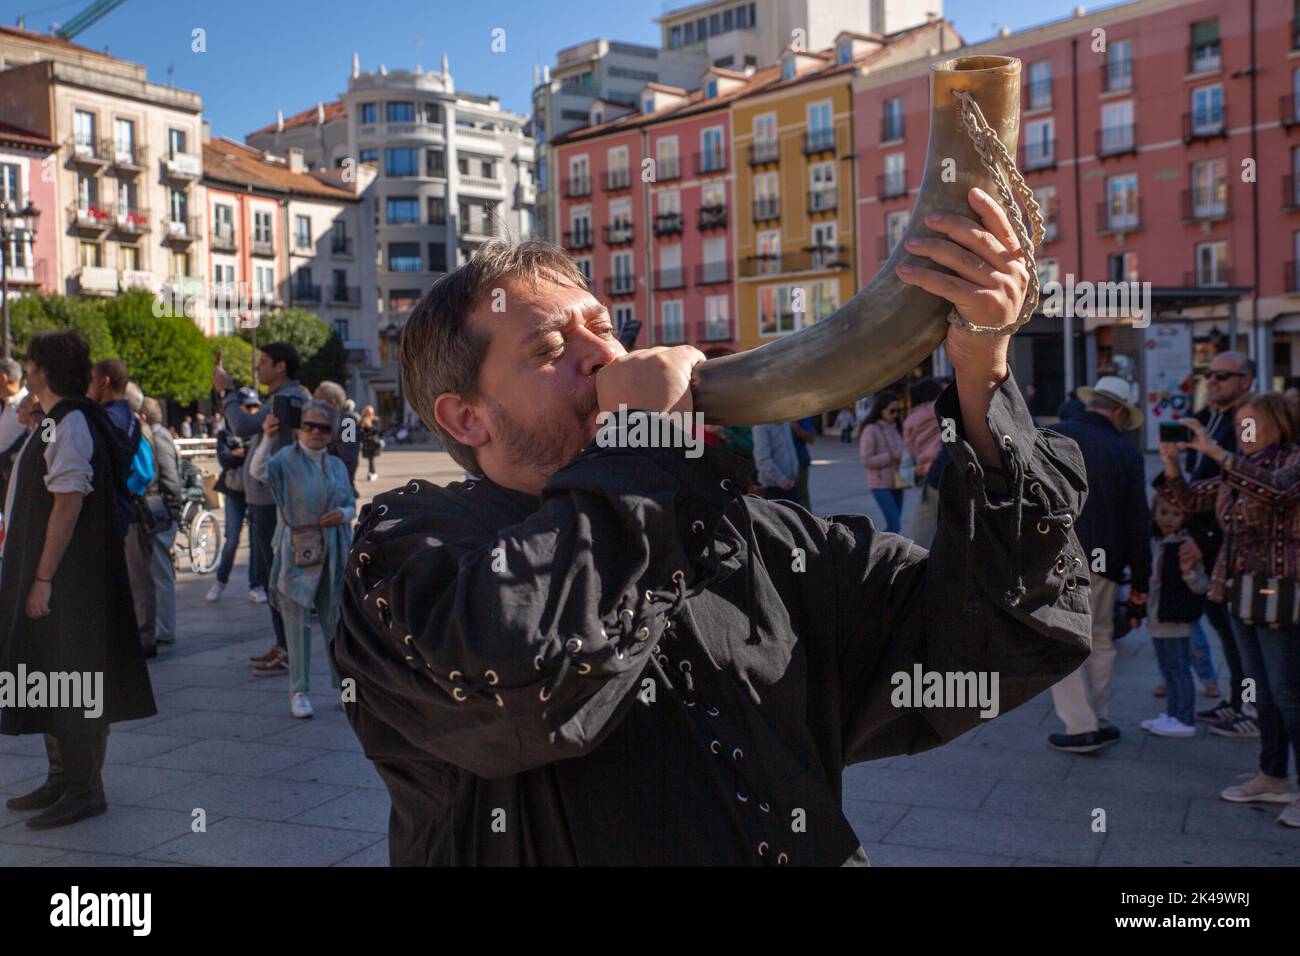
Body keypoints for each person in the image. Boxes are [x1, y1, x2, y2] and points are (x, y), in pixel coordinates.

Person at [330, 211, 1091, 866]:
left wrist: (982, 378)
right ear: (467, 418)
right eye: (550, 349)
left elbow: (1003, 637)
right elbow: (519, 683)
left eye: (603, 326)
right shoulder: (406, 555)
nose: (605, 354)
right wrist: (638, 446)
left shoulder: (753, 537)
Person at [0, 331, 155, 829]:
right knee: (49, 674)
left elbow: (68, 501)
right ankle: (63, 778)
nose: (26, 370)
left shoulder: (72, 423)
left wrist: (42, 577)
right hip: (53, 575)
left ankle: (86, 789)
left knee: (74, 679)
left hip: (70, 580)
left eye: (30, 363)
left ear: (42, 371)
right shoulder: (58, 421)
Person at [1157, 392, 1300, 827]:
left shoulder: (1290, 463)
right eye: (1240, 427)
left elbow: (1275, 492)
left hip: (1281, 591)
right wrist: (1171, 464)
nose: (1245, 434)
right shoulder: (1237, 468)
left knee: (1289, 693)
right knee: (1263, 689)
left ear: (1279, 424)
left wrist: (1218, 452)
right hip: (1237, 591)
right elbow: (1190, 501)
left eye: (1252, 426)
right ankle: (1272, 775)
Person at [1046, 376, 1151, 753]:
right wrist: (1142, 581)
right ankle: (1099, 718)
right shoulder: (1126, 453)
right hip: (1103, 561)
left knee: (1062, 640)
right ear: (1120, 411)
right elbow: (1138, 522)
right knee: (1101, 639)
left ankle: (1080, 726)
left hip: (1053, 556)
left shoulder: (1051, 437)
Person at [251, 399, 356, 718]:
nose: (314, 432)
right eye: (308, 425)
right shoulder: (286, 458)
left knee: (335, 623)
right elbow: (257, 472)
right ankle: (299, 691)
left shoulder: (336, 465)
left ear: (332, 433)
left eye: (323, 428)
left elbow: (351, 501)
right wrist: (267, 437)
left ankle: (346, 690)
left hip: (334, 549)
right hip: (297, 547)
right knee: (296, 621)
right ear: (299, 428)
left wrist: (344, 513)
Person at [213, 343, 311, 676]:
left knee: (276, 577)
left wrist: (227, 391)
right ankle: (284, 646)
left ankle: (288, 648)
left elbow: (240, 425)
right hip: (269, 498)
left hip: (272, 500)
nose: (259, 368)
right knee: (273, 576)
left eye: (264, 362)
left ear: (281, 366)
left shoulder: (285, 399)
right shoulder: (287, 397)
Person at [1179, 351, 1256, 737]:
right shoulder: (1216, 416)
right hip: (1210, 543)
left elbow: (1244, 480)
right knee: (1226, 632)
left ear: (1246, 380)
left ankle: (1252, 707)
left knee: (1242, 637)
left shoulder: (1248, 423)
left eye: (1223, 376)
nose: (1213, 381)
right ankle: (1238, 701)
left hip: (1233, 546)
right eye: (1209, 374)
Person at [1140, 492, 1210, 738]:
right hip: (1158, 616)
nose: (1169, 519)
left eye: (1176, 514)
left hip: (1175, 616)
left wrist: (1188, 572)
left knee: (1179, 668)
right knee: (1167, 668)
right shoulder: (1157, 541)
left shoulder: (1185, 544)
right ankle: (1173, 714)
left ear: (1186, 516)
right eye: (1164, 513)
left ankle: (1184, 719)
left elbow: (1201, 585)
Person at [208, 387, 260, 602]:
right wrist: (244, 454)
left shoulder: (259, 429)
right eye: (248, 406)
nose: (252, 410)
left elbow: (258, 458)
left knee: (256, 541)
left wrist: (239, 454)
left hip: (256, 490)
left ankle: (256, 585)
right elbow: (224, 460)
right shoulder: (226, 431)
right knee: (232, 539)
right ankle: (220, 580)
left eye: (255, 406)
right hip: (234, 490)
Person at [139, 397, 182, 647]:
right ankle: (160, 627)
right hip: (161, 511)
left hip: (160, 512)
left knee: (161, 572)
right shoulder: (157, 435)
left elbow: (170, 476)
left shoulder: (158, 436)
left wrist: (172, 509)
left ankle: (165, 629)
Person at [903, 377, 947, 548]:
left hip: (930, 478)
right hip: (946, 469)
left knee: (930, 528)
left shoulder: (910, 420)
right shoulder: (943, 410)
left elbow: (912, 449)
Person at [858, 390, 905, 534]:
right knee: (894, 525)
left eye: (898, 411)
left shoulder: (895, 429)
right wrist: (891, 456)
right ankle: (875, 551)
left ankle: (888, 554)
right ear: (881, 409)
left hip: (898, 482)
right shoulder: (871, 430)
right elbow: (866, 460)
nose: (896, 415)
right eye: (892, 411)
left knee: (895, 528)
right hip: (880, 485)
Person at [314, 379, 360, 491]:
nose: (313, 403)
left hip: (337, 489)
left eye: (317, 400)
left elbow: (348, 460)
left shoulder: (347, 422)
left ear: (332, 403)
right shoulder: (320, 421)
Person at [0, 356, 30, 512]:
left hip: (16, 482)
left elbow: (48, 444)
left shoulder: (33, 406)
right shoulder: (4, 402)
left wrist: (13, 457)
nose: (19, 412)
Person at [752, 420, 800, 502]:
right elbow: (762, 459)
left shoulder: (785, 422)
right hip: (774, 487)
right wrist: (780, 479)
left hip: (790, 483)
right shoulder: (761, 427)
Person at [790, 417, 815, 510]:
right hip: (779, 467)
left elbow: (811, 439)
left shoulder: (801, 416)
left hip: (800, 463)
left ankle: (808, 523)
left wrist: (796, 427)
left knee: (801, 497)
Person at [359, 405, 383, 481]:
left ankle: (372, 472)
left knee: (371, 458)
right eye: (369, 412)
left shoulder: (374, 420)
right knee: (370, 458)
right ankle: (372, 473)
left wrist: (371, 425)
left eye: (371, 412)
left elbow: (378, 431)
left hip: (373, 442)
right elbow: (360, 431)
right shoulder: (363, 420)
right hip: (367, 442)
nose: (371, 413)